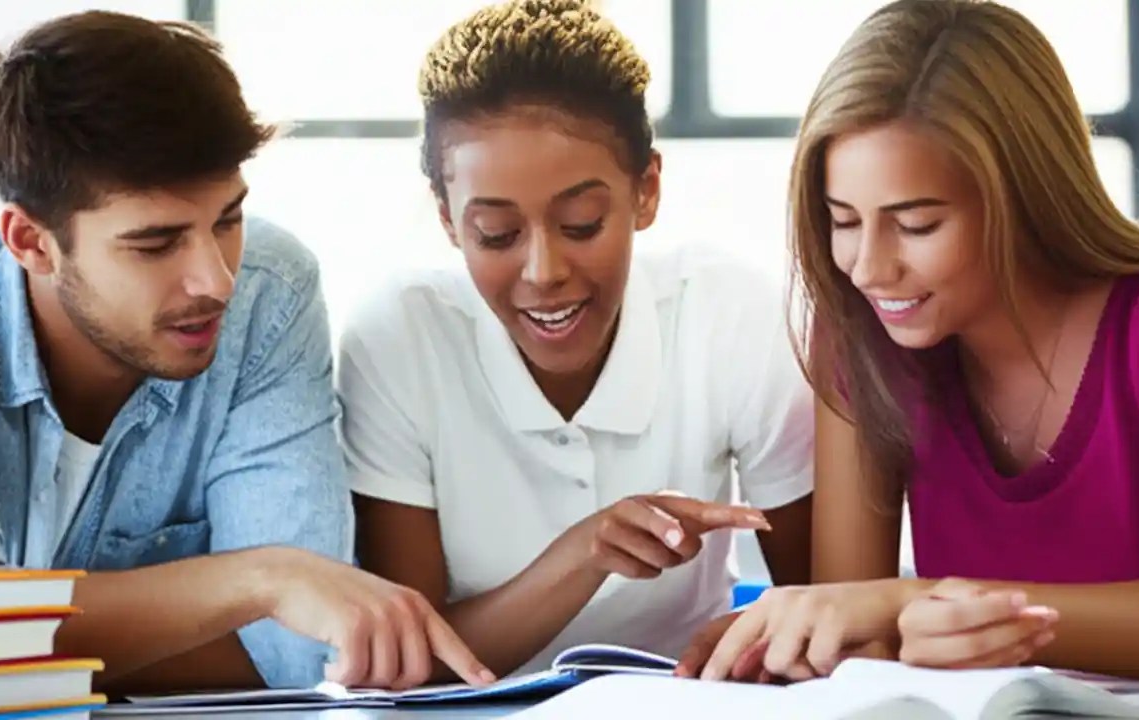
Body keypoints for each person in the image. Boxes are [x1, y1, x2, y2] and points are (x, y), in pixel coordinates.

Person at [0, 10, 492, 693]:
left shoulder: (270, 292)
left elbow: (299, 656)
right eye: (155, 243)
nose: (216, 281)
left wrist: (23, 644)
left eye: (227, 220)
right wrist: (262, 580)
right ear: (31, 242)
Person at [681, 0, 1139, 683]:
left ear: (1024, 195)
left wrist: (920, 603)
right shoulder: (860, 339)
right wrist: (784, 643)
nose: (871, 269)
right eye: (843, 220)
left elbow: (881, 606)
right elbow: (854, 632)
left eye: (916, 224)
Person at [340, 0, 816, 680]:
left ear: (645, 191)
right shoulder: (398, 338)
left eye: (583, 223)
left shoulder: (728, 314)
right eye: (496, 235)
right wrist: (585, 553)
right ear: (447, 218)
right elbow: (413, 660)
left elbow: (827, 605)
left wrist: (758, 638)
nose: (544, 274)